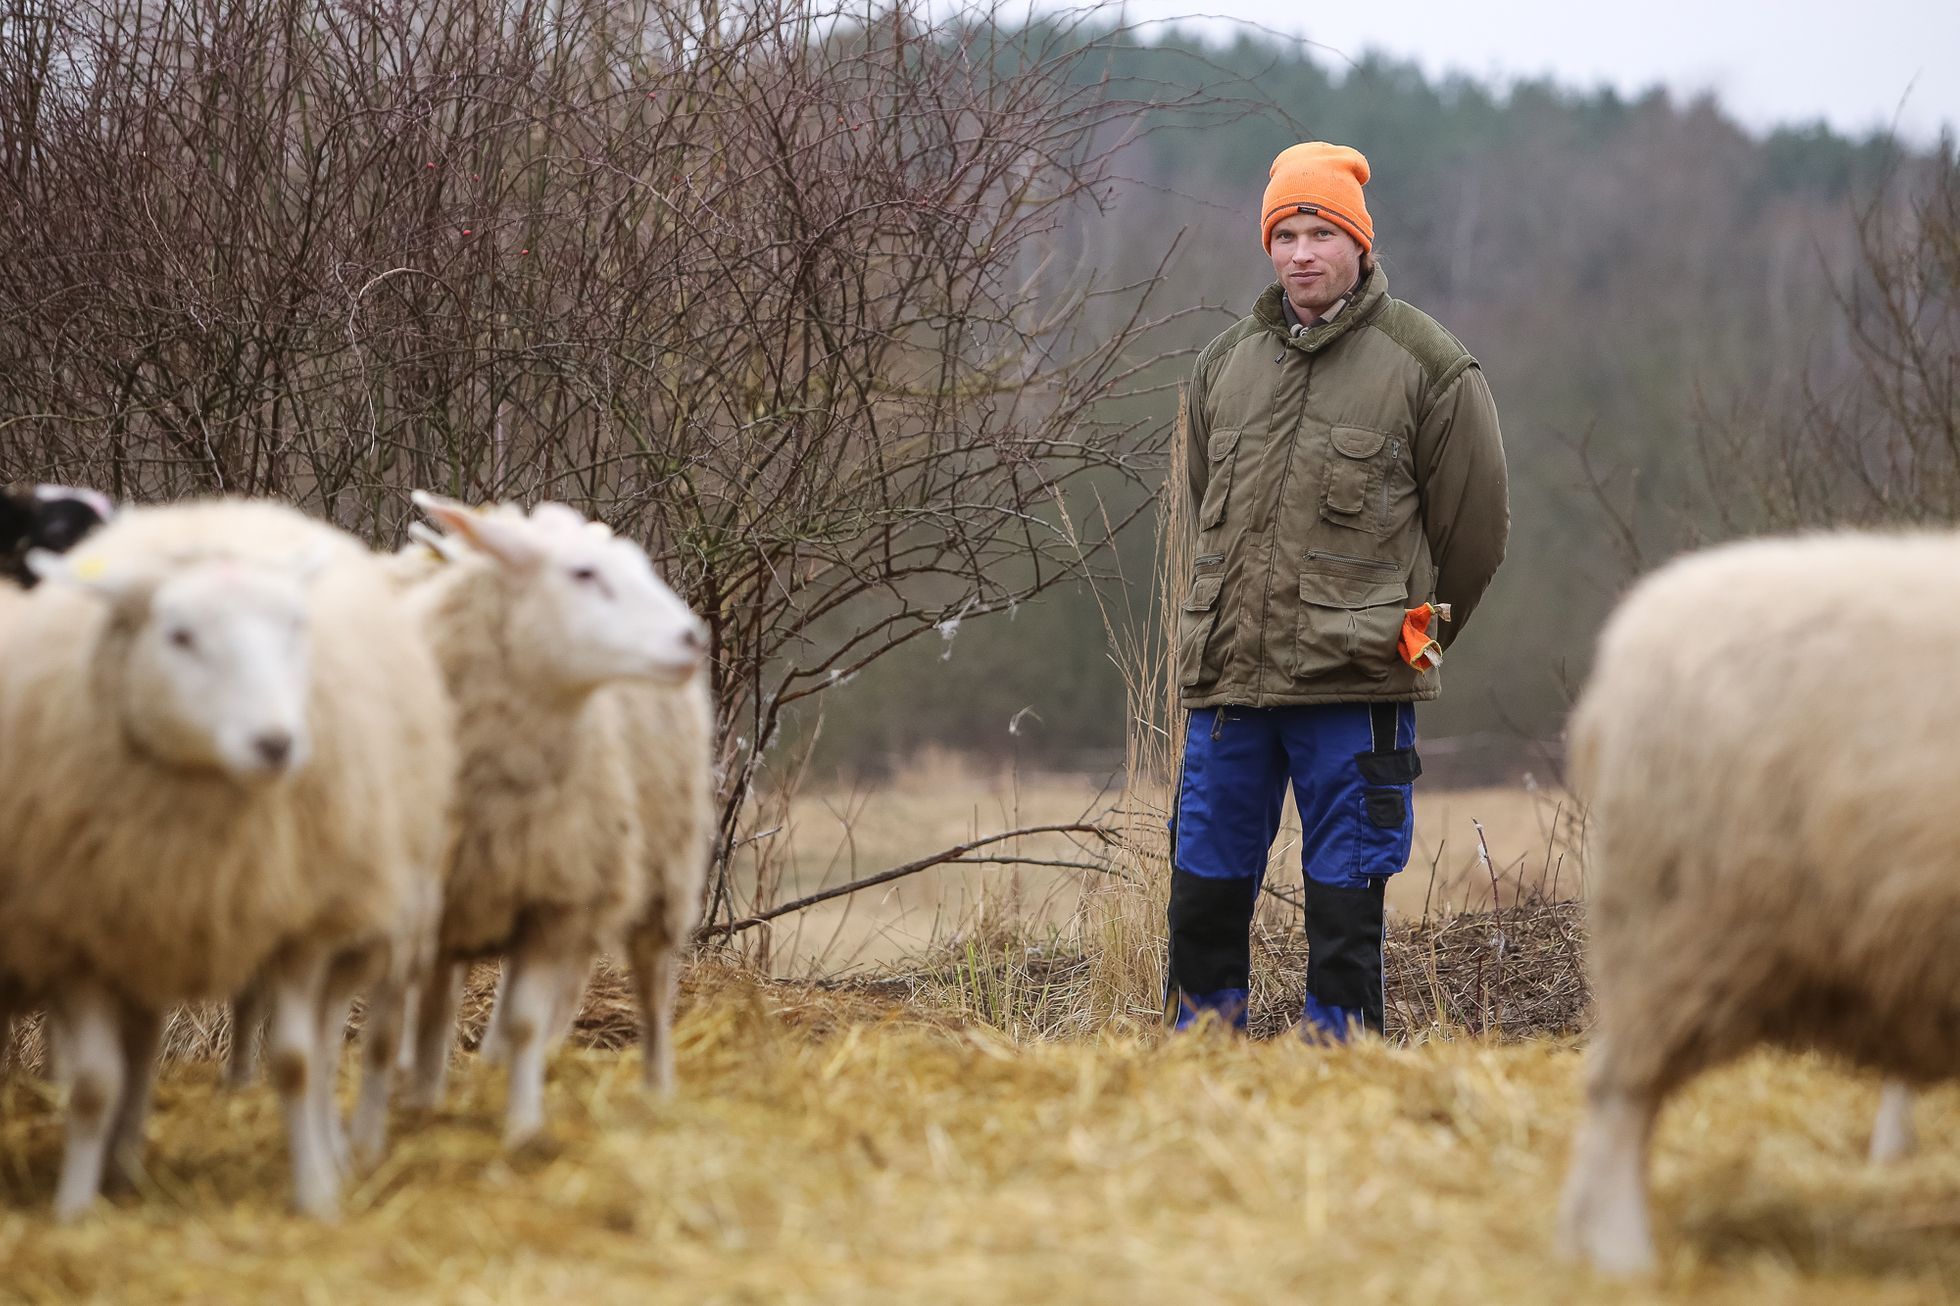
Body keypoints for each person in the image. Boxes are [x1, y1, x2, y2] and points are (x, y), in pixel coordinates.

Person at [1167, 141, 1509, 1040]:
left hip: (1354, 690)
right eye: (1287, 233)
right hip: (1230, 688)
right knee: (1202, 885)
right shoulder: (1221, 367)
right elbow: (1205, 510)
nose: (1303, 252)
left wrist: (1412, 647)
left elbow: (1473, 538)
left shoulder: (1430, 365)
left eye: (1323, 232)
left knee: (1345, 893)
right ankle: (1196, 1066)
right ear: (1268, 247)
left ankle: (1342, 1069)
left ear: (1360, 244)